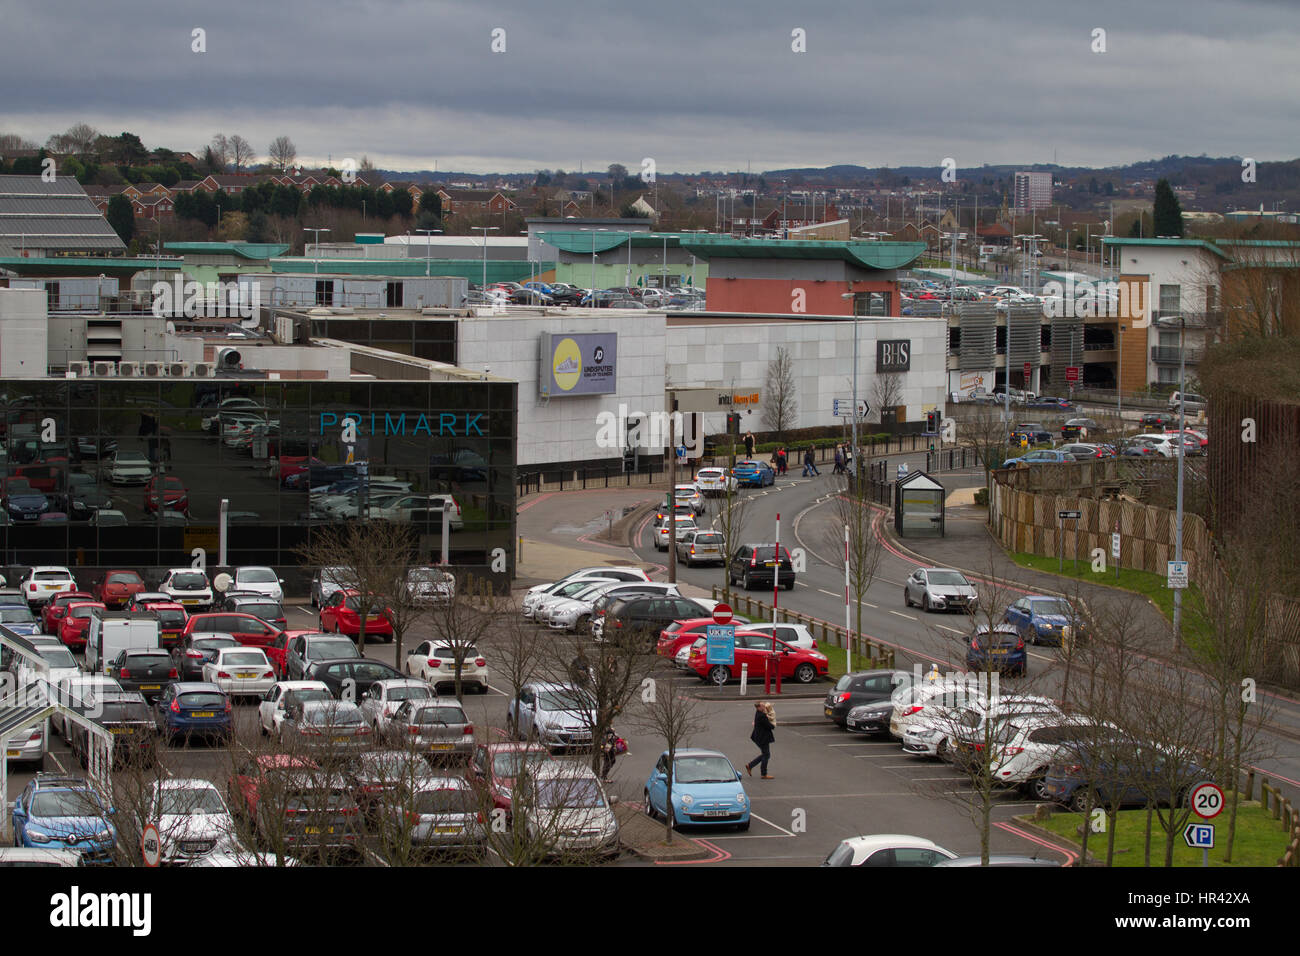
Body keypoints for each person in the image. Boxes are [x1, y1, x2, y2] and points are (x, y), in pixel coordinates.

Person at [746, 701, 776, 779]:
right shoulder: (762, 716)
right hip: (762, 739)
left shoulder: (758, 713)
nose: (764, 707)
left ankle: (750, 765)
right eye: (763, 706)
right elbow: (769, 726)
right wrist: (773, 725)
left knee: (765, 754)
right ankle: (763, 774)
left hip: (758, 738)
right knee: (766, 755)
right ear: (758, 707)